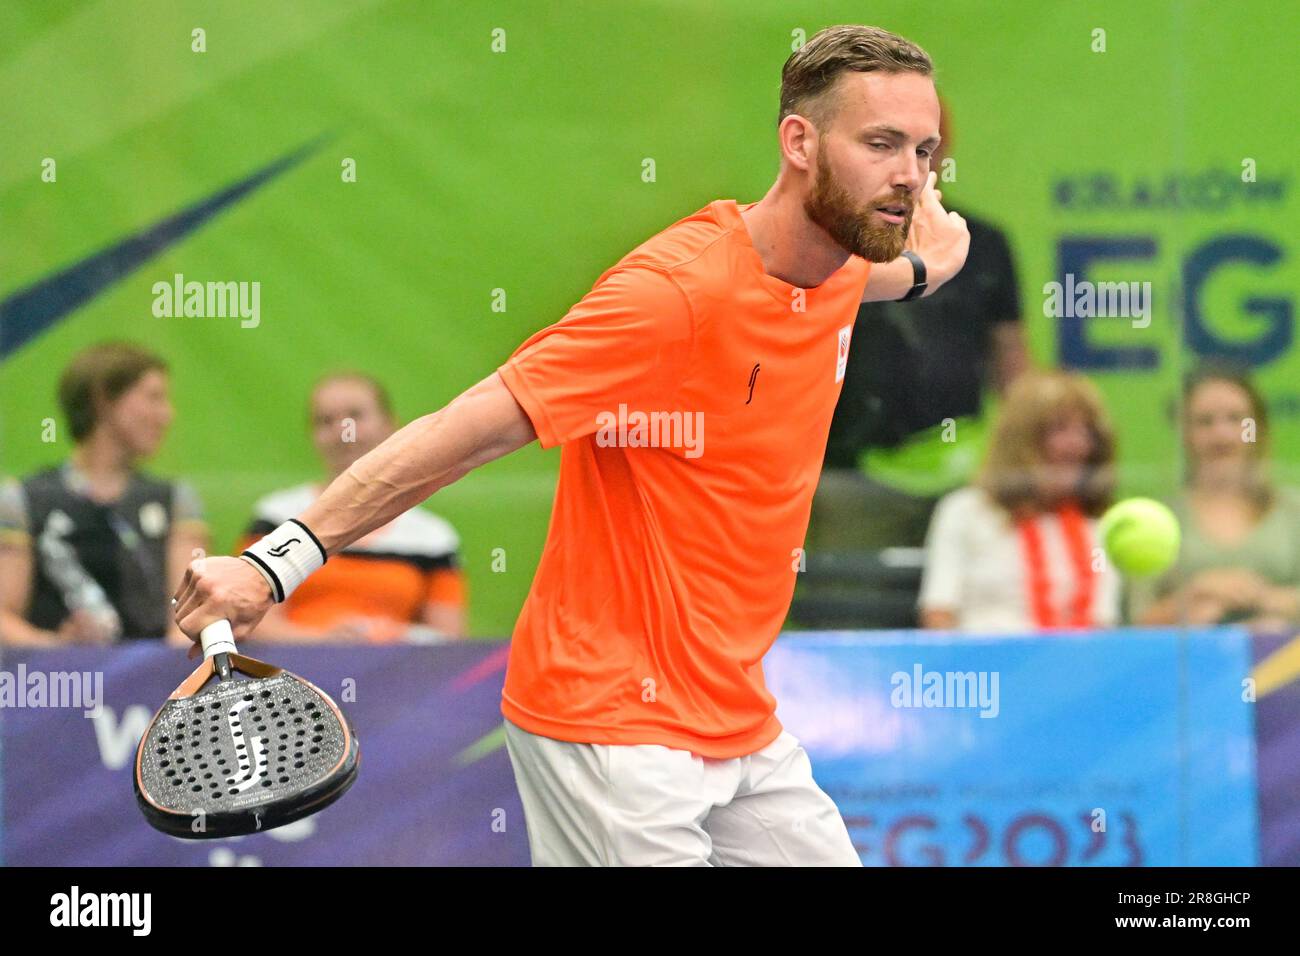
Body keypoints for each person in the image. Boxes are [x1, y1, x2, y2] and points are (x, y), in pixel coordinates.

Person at [171, 24, 970, 866]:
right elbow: (462, 433)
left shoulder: (839, 263)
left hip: (737, 720)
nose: (910, 175)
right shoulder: (671, 299)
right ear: (800, 142)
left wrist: (929, 270)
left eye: (923, 150)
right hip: (610, 724)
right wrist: (274, 565)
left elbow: (868, 277)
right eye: (881, 144)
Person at [817, 99, 1029, 553]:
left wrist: (1022, 466)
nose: (908, 166)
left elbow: (1013, 370)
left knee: (969, 612)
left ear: (942, 150)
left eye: (923, 148)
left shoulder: (984, 244)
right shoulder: (830, 245)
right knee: (846, 613)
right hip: (849, 478)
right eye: (886, 146)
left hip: (964, 478)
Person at [0, 342, 207, 647]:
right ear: (103, 399)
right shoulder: (23, 500)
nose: (167, 414)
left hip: (153, 685)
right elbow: (4, 616)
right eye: (153, 398)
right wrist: (57, 646)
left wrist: (156, 672)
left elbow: (192, 618)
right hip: (59, 685)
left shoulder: (176, 500)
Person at [241, 372, 467, 642]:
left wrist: (395, 637)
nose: (342, 431)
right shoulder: (276, 517)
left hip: (395, 677)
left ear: (391, 425)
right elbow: (251, 625)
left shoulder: (433, 536)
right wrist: (327, 643)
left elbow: (449, 644)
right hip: (296, 674)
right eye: (326, 421)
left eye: (355, 416)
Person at [919, 370, 1121, 632]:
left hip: (1073, 669)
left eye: (1087, 432)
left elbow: (1102, 627)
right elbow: (939, 615)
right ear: (1021, 440)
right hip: (982, 667)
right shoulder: (964, 511)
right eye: (1060, 429)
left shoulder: (1100, 527)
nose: (1078, 445)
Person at [1134, 366, 1300, 630]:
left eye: (1236, 419)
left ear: (1259, 429)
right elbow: (1132, 622)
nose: (1221, 435)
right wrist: (1197, 592)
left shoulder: (1293, 511)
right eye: (1205, 422)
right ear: (1185, 434)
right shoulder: (1159, 518)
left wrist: (1263, 599)